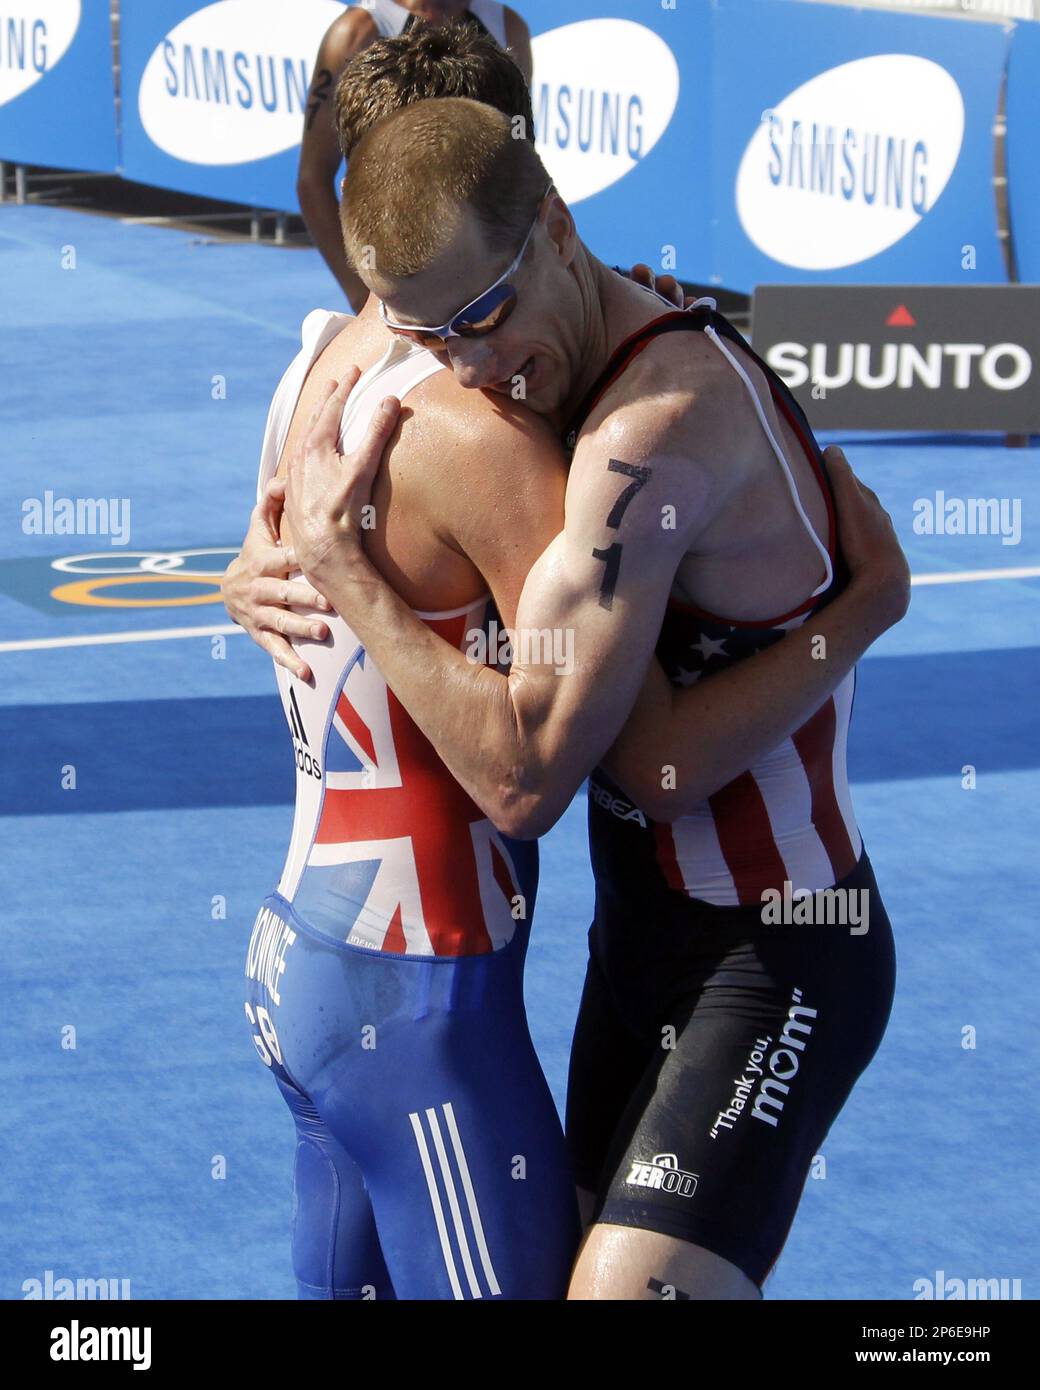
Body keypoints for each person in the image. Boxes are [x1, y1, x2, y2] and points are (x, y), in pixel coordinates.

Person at [276, 93, 909, 1300]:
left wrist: (345, 573)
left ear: (558, 228)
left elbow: (569, 774)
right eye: (435, 339)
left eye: (484, 317)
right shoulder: (553, 329)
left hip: (779, 948)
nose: (474, 369)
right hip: (638, 945)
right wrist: (259, 564)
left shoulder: (651, 435)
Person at [298, 0, 531, 309]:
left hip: (488, 274)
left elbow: (522, 155)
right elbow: (312, 178)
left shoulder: (507, 26)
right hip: (399, 271)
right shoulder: (357, 32)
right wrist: (364, 295)